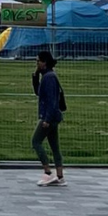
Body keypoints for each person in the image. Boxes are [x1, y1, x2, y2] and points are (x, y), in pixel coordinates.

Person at [31, 50, 66, 187]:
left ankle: (48, 173)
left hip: (50, 117)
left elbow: (52, 101)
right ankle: (60, 176)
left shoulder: (50, 78)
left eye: (38, 61)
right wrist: (35, 76)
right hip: (52, 116)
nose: (37, 63)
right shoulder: (46, 76)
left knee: (36, 141)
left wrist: (46, 119)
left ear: (44, 62)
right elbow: (38, 92)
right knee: (54, 146)